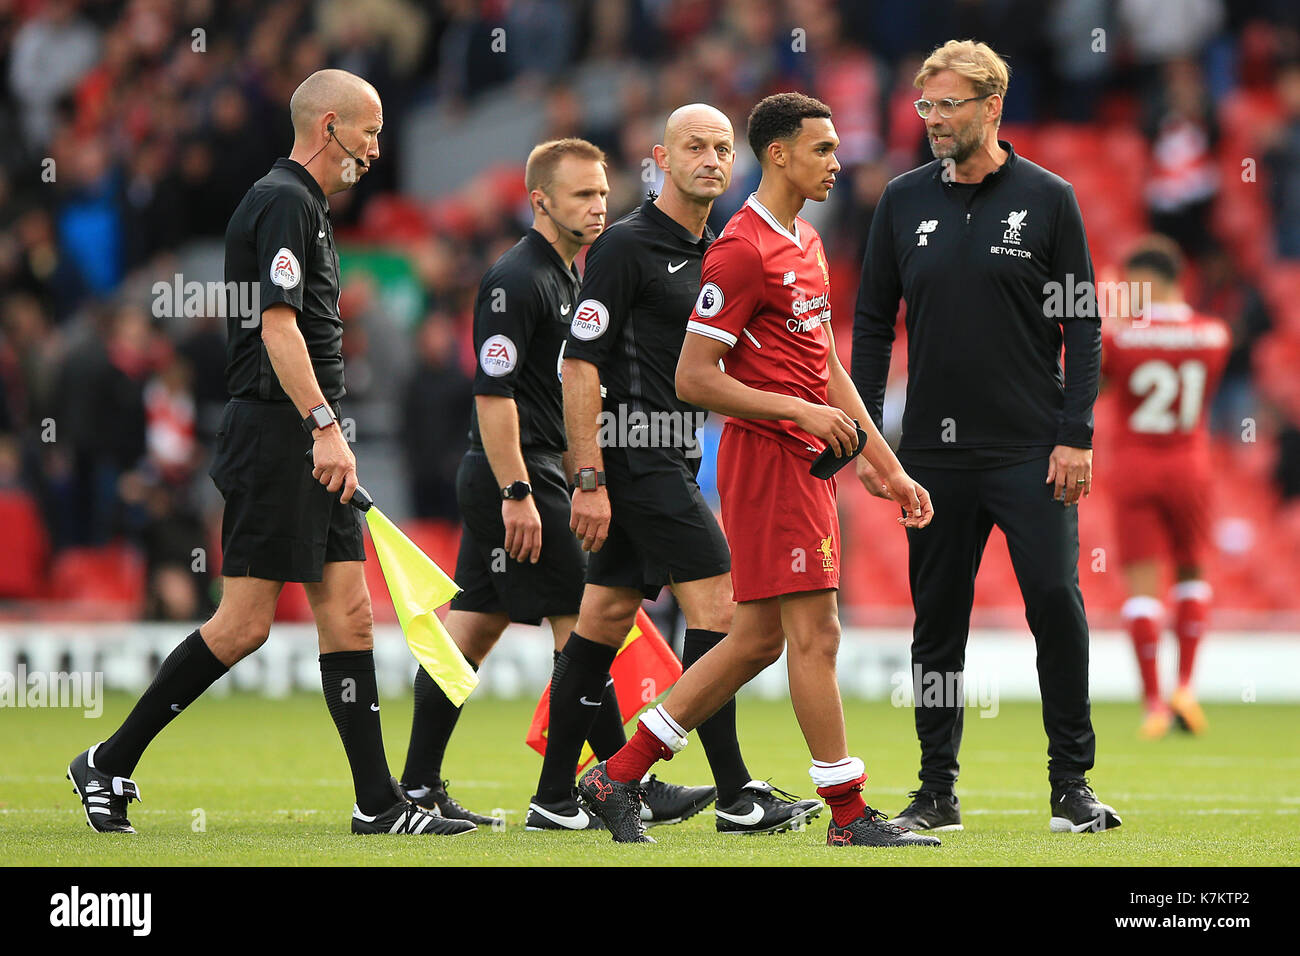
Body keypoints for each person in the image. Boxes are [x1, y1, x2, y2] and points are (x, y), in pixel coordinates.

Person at [67, 69, 474, 837]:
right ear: (328, 128)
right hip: (280, 432)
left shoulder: (304, 205)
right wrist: (324, 426)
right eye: (368, 132)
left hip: (308, 429)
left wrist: (327, 427)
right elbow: (278, 329)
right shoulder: (285, 200)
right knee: (245, 624)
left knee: (350, 615)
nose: (376, 150)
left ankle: (376, 804)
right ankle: (109, 760)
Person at [574, 92, 940, 848]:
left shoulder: (803, 241)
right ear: (778, 154)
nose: (837, 163)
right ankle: (848, 815)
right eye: (823, 149)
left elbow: (827, 366)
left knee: (755, 640)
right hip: (770, 459)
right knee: (818, 633)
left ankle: (619, 770)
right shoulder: (742, 249)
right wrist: (797, 413)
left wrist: (886, 464)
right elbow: (693, 376)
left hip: (806, 457)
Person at [396, 139, 713, 831]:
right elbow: (492, 394)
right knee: (587, 625)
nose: (598, 207)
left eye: (602, 194)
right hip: (516, 473)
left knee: (471, 633)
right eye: (581, 196)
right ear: (540, 200)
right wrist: (517, 493)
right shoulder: (517, 278)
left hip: (525, 472)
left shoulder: (571, 275)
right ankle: (597, 786)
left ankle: (418, 788)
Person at [851, 40, 1121, 834]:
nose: (933, 119)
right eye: (924, 105)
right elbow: (871, 324)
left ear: (992, 106)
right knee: (937, 623)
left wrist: (1076, 434)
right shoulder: (901, 201)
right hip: (931, 458)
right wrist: (869, 437)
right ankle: (936, 789)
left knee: (1055, 607)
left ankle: (1071, 784)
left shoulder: (1049, 197)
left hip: (1032, 450)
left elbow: (1084, 321)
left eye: (948, 104)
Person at [556, 103, 824, 835]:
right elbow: (578, 364)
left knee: (606, 616)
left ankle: (556, 795)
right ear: (659, 159)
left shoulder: (720, 246)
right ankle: (737, 795)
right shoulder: (624, 247)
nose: (711, 158)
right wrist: (589, 477)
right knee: (723, 611)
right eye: (693, 147)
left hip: (676, 452)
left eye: (720, 147)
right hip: (635, 456)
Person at [1101, 236, 1229, 739]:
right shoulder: (1214, 333)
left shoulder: (1123, 337)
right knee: (1193, 570)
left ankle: (1153, 703)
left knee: (1142, 587)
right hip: (1191, 463)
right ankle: (1186, 689)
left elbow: (1099, 385)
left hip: (1135, 465)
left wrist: (1111, 322)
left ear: (1149, 281)